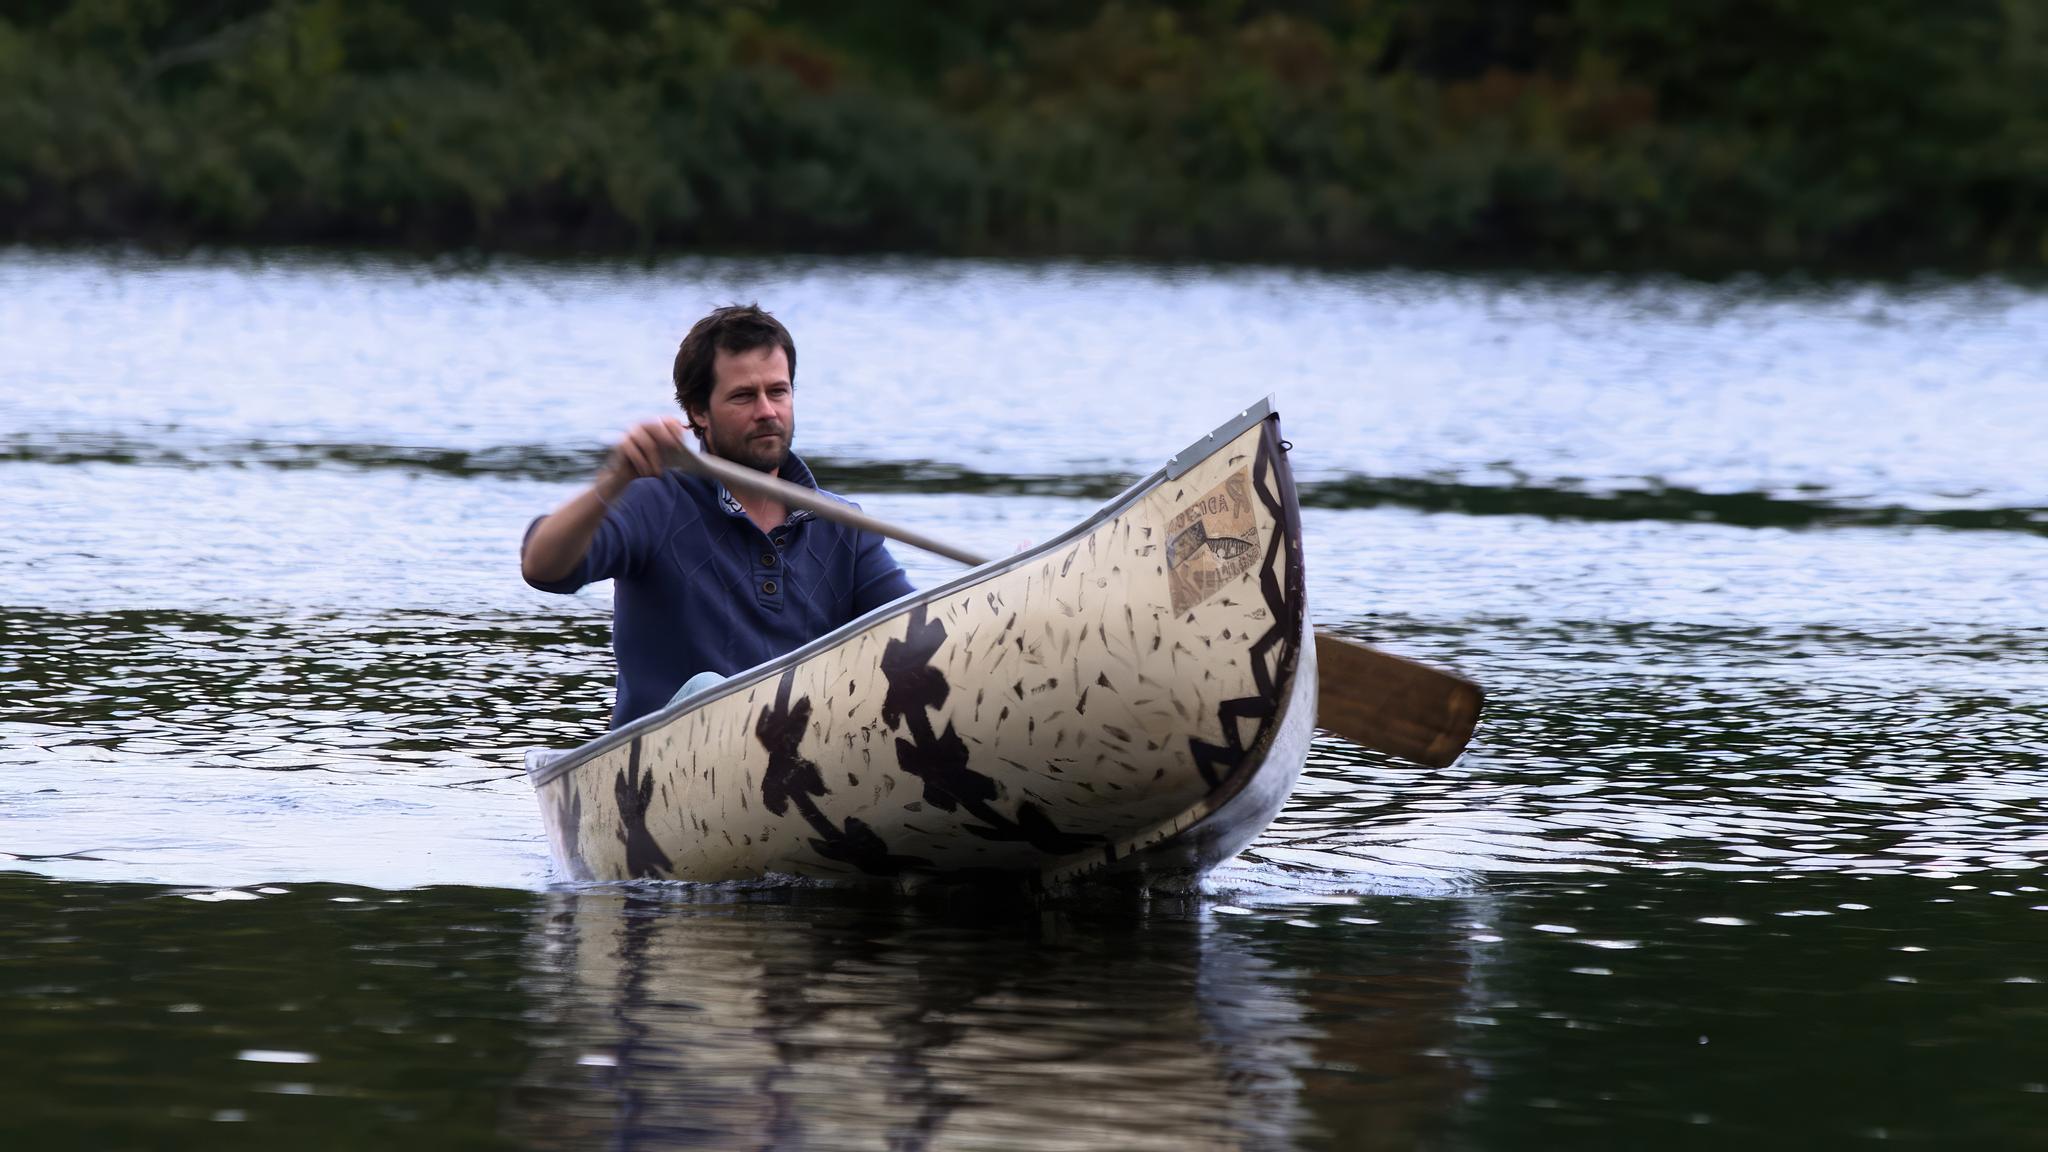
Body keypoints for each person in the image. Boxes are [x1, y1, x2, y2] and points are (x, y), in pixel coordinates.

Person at [521, 304, 913, 729]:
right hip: (664, 769)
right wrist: (612, 482)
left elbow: (919, 635)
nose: (767, 411)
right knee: (710, 688)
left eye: (778, 392)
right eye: (744, 396)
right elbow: (543, 568)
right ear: (698, 412)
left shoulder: (844, 526)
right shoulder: (653, 502)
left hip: (808, 764)